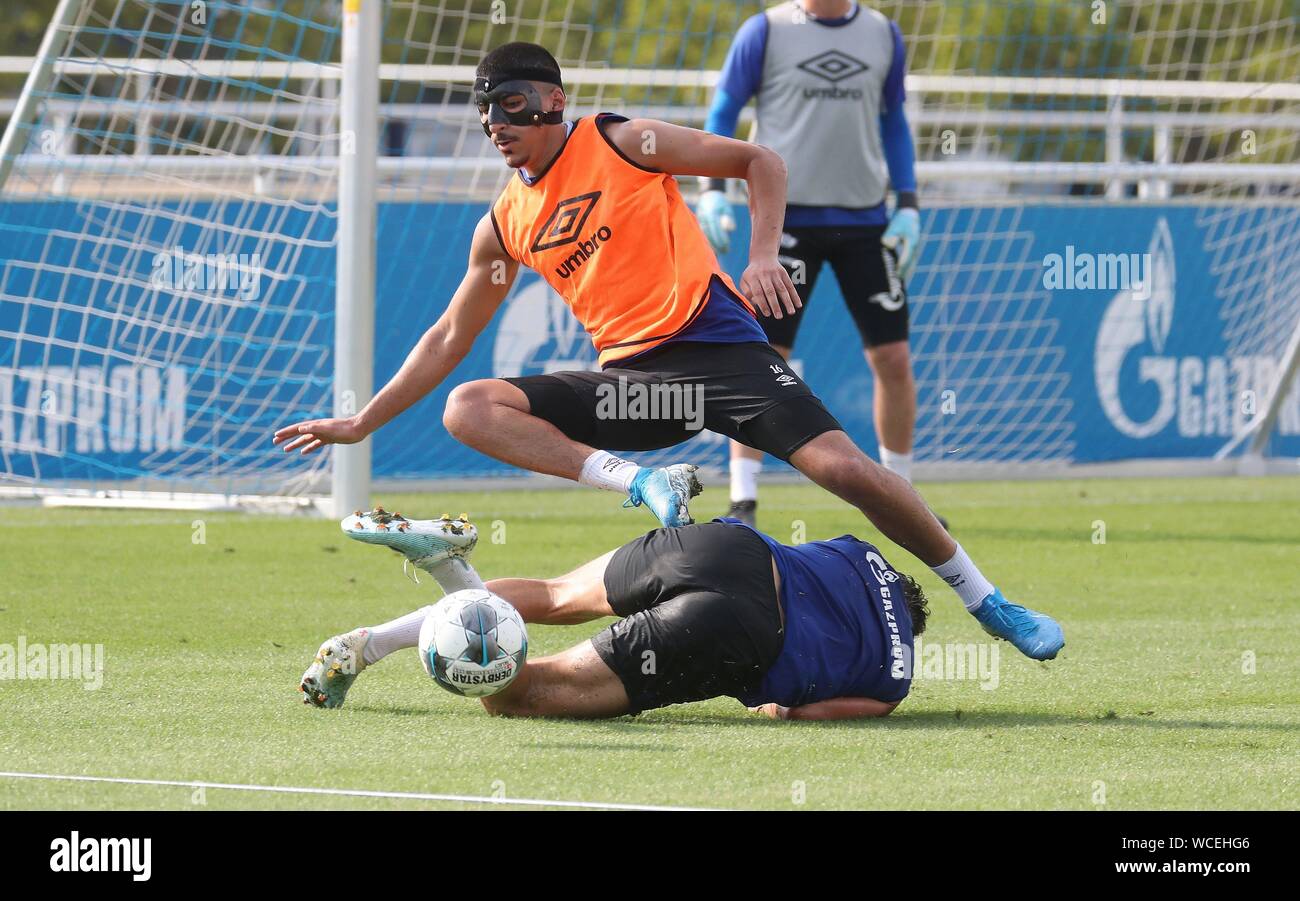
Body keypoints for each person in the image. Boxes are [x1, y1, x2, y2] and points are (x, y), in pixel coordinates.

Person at [273, 41, 1063, 659]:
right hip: (643, 391)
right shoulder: (505, 222)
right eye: (486, 117)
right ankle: (640, 480)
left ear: (554, 100)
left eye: (512, 106)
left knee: (847, 470)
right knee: (468, 406)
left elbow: (761, 161)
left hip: (721, 352)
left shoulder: (622, 140)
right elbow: (451, 335)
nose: (499, 127)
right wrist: (361, 422)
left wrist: (762, 257)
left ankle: (986, 597)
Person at [301, 509, 929, 720]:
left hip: (728, 548)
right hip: (739, 631)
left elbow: (805, 556)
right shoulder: (892, 681)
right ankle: (449, 572)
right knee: (518, 695)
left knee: (549, 596)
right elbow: (794, 713)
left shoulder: (862, 551)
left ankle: (370, 644)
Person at [696, 0, 928, 527]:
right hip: (784, 220)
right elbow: (724, 112)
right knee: (761, 356)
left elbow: (894, 123)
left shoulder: (882, 34)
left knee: (892, 357)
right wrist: (710, 189)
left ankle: (902, 494)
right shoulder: (765, 31)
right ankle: (743, 498)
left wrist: (908, 203)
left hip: (867, 220)